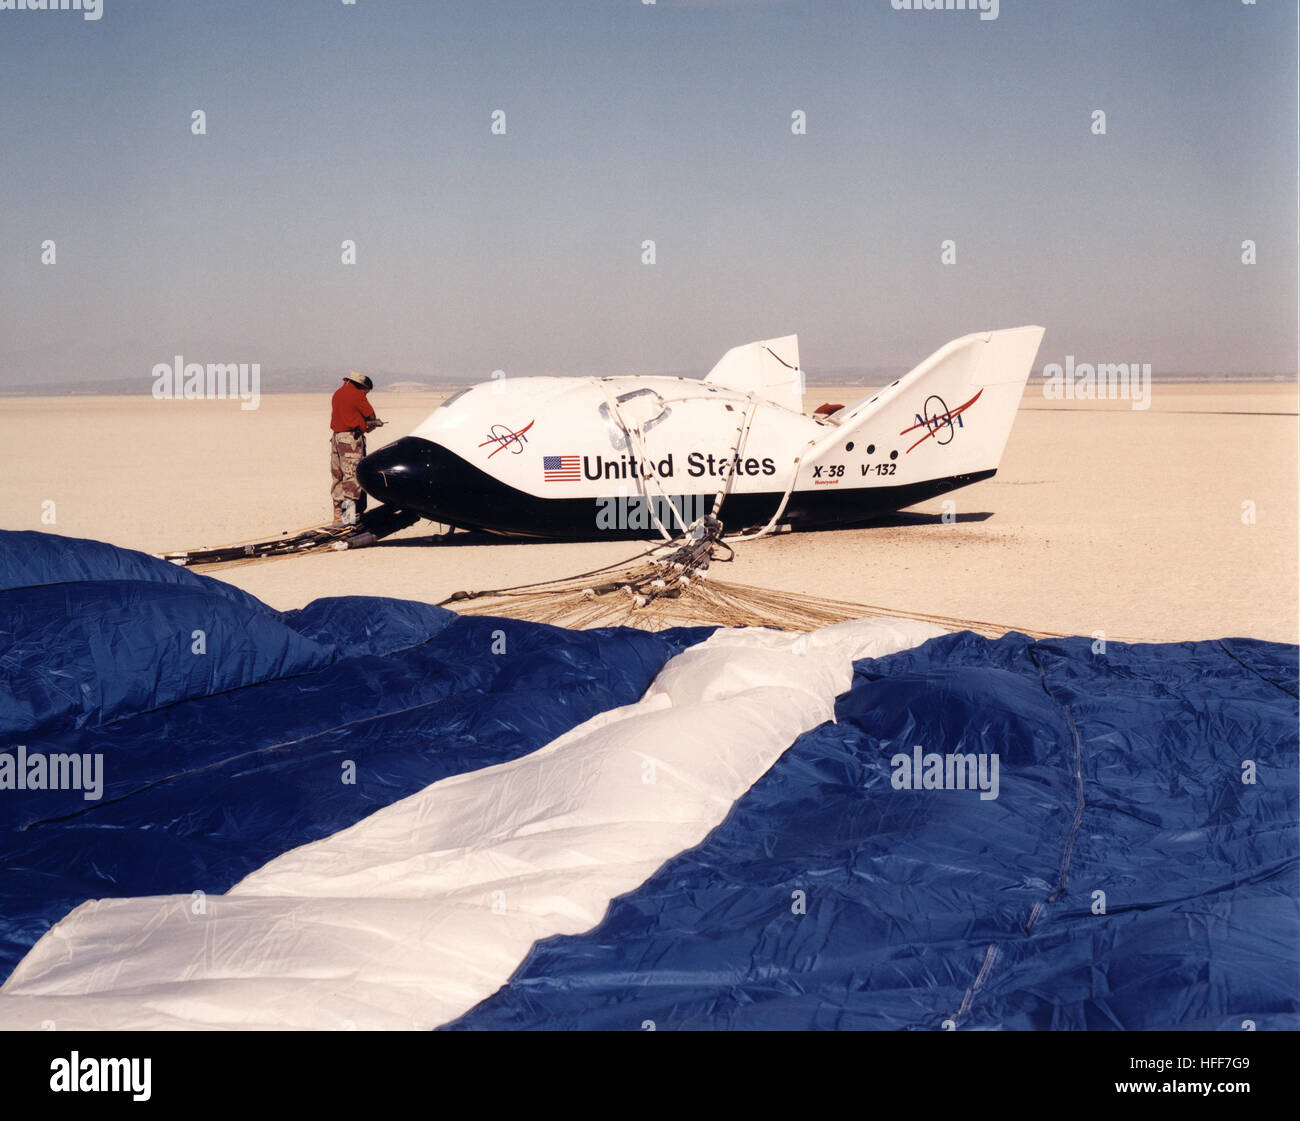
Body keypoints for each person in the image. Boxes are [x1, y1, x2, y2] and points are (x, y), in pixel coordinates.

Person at [329, 371, 384, 525]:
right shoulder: (356, 395)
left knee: (338, 477)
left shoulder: (338, 393)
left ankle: (337, 517)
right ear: (362, 387)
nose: (366, 395)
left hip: (336, 438)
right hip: (350, 440)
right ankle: (348, 520)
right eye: (366, 392)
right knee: (351, 479)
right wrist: (372, 424)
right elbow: (371, 415)